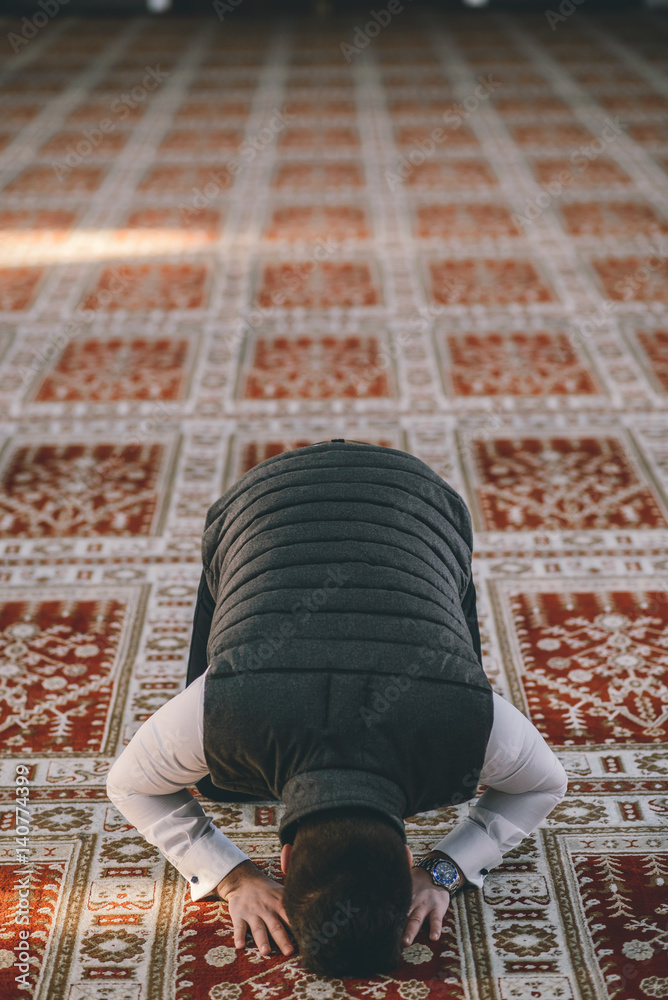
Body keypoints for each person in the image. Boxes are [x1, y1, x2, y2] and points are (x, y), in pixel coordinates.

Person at [106, 439, 567, 978]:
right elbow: (131, 785)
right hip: (275, 503)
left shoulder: (463, 719)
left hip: (413, 501)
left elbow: (543, 784)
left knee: (222, 778)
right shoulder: (225, 714)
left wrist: (442, 869)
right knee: (219, 776)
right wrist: (233, 876)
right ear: (281, 863)